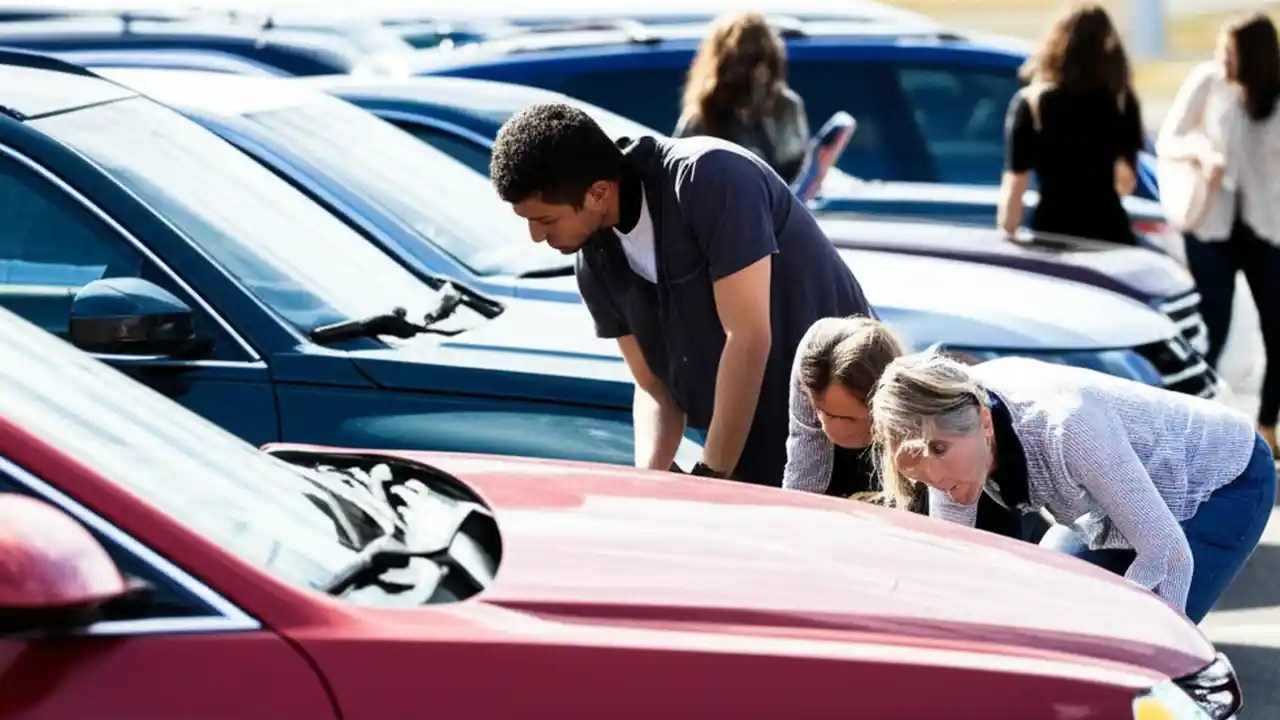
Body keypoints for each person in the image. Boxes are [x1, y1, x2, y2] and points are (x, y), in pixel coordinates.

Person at [489, 103, 875, 486]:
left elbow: (748, 337)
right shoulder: (593, 259)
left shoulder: (710, 178)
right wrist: (650, 482)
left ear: (599, 192)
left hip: (852, 449)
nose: (537, 237)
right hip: (754, 467)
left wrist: (712, 475)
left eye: (545, 219)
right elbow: (655, 387)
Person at [868, 350, 1275, 623]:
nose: (938, 481)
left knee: (1132, 638)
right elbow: (954, 567)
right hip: (1112, 499)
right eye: (918, 471)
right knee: (1050, 604)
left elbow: (1167, 555)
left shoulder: (1068, 427)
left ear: (984, 422)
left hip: (1221, 478)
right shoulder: (945, 431)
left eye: (940, 452)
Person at [782, 316, 1038, 540]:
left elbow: (947, 530)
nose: (833, 429)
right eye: (824, 413)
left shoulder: (936, 436)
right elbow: (804, 466)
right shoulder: (817, 356)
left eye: (850, 419)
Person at [1157, 12, 1280, 454]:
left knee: (1276, 327)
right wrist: (1203, 151)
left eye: (1230, 53)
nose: (1221, 59)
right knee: (1213, 325)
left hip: (1267, 229)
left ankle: (1267, 426)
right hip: (1212, 224)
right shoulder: (1207, 82)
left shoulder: (1274, 98)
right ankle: (1194, 426)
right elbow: (1169, 140)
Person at [997, 3, 1145, 245]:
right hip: (1108, 234)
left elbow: (1015, 185)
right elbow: (1125, 184)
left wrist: (1007, 234)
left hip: (1052, 233)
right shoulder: (1119, 101)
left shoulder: (1033, 104)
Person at [674, 12, 811, 185]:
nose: (754, 73)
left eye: (760, 60)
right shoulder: (702, 116)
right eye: (744, 61)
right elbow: (680, 178)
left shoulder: (785, 109)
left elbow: (796, 181)